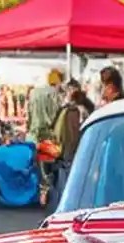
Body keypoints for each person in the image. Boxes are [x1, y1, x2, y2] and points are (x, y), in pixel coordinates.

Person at [50, 82, 95, 210]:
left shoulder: (69, 112)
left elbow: (61, 134)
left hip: (67, 154)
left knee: (65, 187)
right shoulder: (84, 112)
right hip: (78, 153)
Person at [28, 69, 63, 205]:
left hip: (33, 135)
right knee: (49, 167)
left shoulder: (33, 92)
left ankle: (40, 193)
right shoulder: (53, 94)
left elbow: (29, 115)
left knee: (37, 167)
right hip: (49, 135)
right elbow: (56, 115)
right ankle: (48, 195)